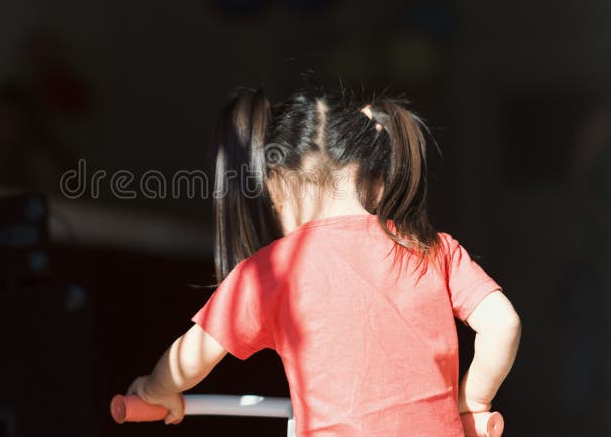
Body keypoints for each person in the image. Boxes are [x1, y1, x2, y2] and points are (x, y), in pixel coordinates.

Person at [126, 89, 521, 436]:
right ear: (373, 175)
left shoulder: (272, 269)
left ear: (280, 184)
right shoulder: (433, 248)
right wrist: (471, 400)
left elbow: (190, 357)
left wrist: (157, 390)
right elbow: (503, 324)